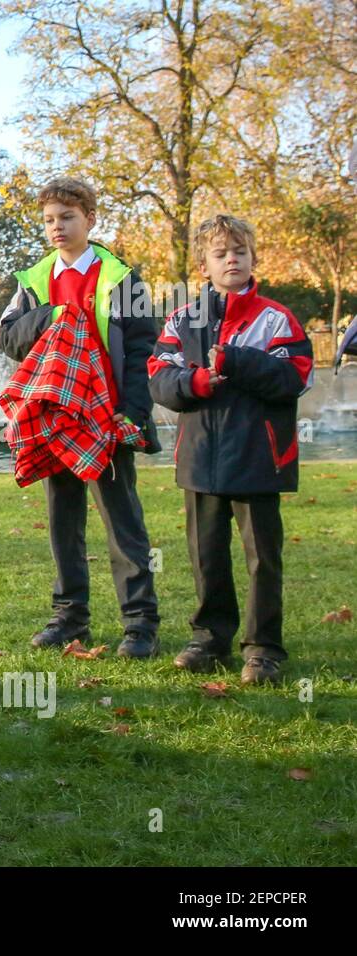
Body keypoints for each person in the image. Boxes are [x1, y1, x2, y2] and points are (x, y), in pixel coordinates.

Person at [0, 176, 162, 657]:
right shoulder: (33, 281)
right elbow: (6, 338)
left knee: (122, 521)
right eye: (49, 220)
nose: (57, 227)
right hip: (53, 416)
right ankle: (70, 618)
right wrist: (50, 315)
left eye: (67, 217)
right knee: (62, 521)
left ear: (90, 219)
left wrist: (131, 413)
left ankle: (140, 623)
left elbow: (142, 348)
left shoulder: (120, 277)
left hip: (105, 417)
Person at [149, 215, 313, 685]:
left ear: (253, 257)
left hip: (259, 458)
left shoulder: (276, 318)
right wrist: (194, 381)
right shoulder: (182, 319)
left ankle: (263, 648)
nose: (232, 259)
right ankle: (209, 638)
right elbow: (159, 378)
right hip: (200, 457)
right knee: (206, 554)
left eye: (240, 251)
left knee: (262, 556)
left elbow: (296, 377)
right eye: (221, 254)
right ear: (205, 265)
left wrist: (236, 360)